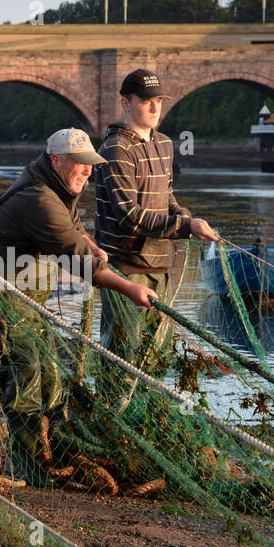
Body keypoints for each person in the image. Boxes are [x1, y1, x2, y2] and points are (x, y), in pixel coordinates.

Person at [0, 128, 156, 483]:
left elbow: (74, 231)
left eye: (90, 165)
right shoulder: (39, 198)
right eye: (80, 164)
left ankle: (55, 453)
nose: (87, 171)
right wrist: (130, 288)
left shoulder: (57, 185)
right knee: (26, 372)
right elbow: (80, 262)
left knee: (52, 375)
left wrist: (90, 242)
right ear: (57, 160)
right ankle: (28, 468)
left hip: (25, 299)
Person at [93, 69, 218, 397]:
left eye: (158, 101)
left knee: (157, 356)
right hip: (125, 267)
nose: (154, 108)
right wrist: (184, 227)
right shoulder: (115, 149)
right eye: (146, 101)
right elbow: (128, 216)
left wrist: (185, 217)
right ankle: (112, 417)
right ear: (126, 102)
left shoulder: (164, 144)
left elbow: (166, 198)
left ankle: (148, 417)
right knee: (122, 353)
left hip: (162, 267)